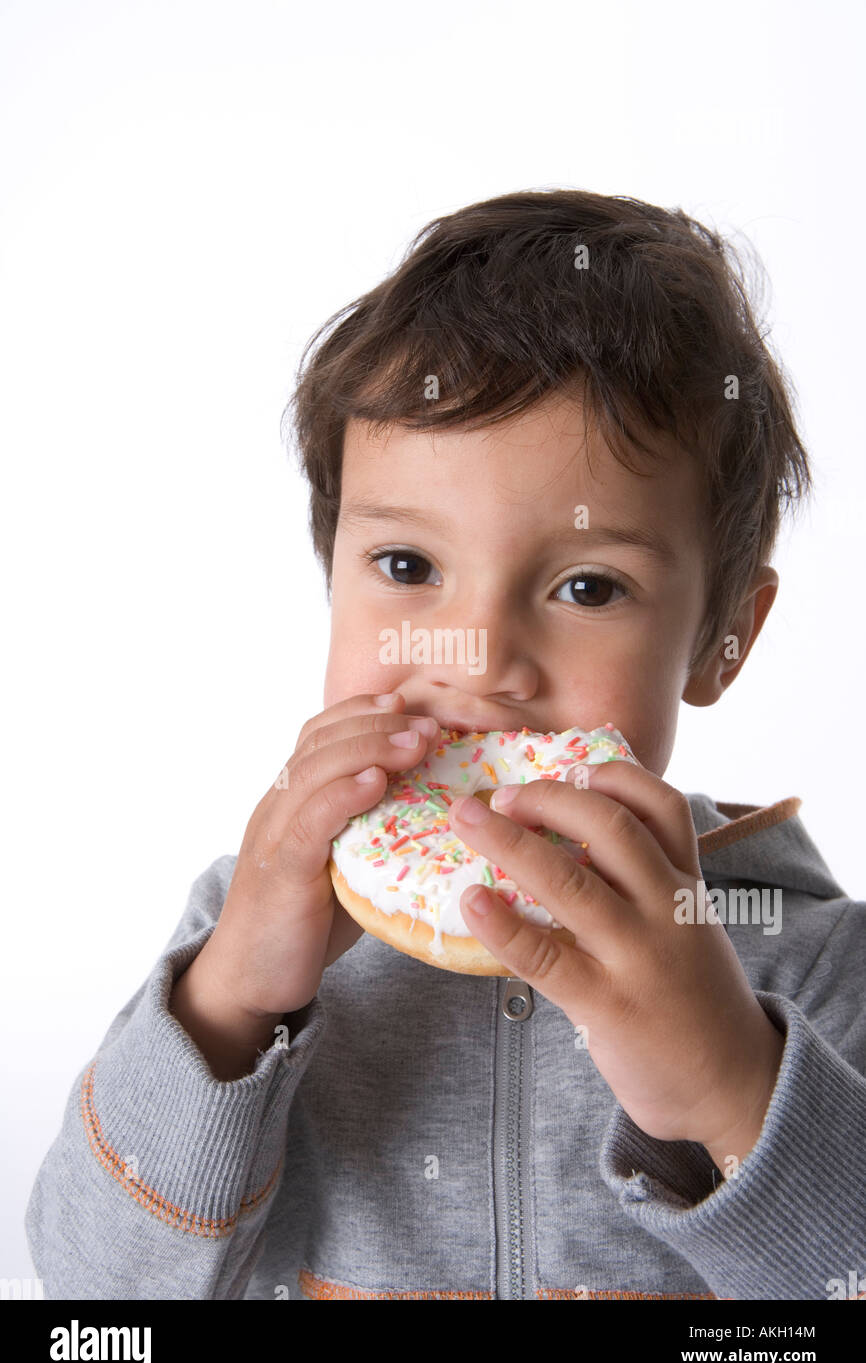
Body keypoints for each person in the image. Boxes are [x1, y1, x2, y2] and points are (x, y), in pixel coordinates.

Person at [25, 189, 866, 1300]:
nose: (476, 662)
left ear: (720, 638)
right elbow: (90, 1293)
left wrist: (727, 1087)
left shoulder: (800, 955)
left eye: (584, 585)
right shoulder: (253, 933)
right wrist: (229, 1005)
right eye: (409, 568)